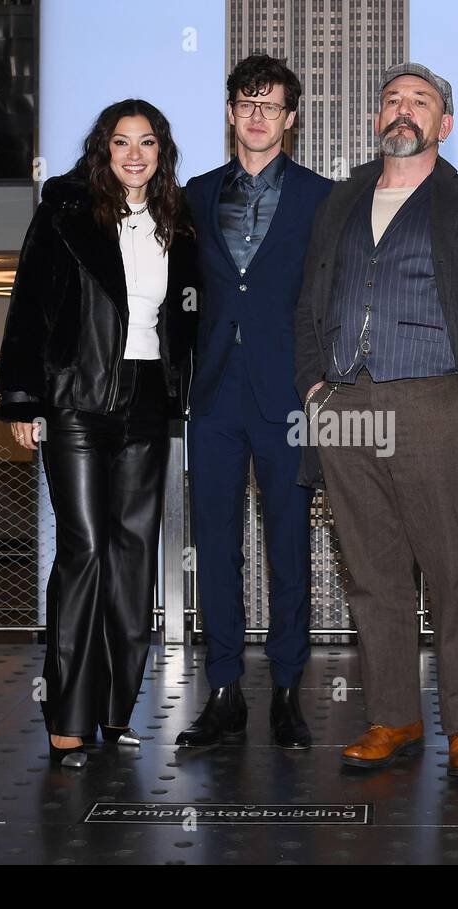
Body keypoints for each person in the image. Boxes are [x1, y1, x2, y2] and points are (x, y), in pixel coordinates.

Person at [294, 63, 458, 778]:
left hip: (435, 403)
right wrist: (311, 387)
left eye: (420, 101)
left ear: (443, 124)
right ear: (377, 119)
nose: (404, 110)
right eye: (392, 99)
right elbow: (309, 302)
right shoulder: (339, 201)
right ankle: (392, 716)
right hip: (343, 405)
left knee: (454, 572)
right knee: (371, 573)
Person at [0, 99, 199, 767]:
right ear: (102, 150)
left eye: (146, 141)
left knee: (133, 556)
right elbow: (29, 305)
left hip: (145, 400)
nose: (134, 153)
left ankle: (114, 710)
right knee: (83, 551)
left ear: (161, 151)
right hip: (77, 398)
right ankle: (68, 716)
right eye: (121, 142)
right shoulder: (65, 212)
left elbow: (187, 317)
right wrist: (23, 399)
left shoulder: (177, 220)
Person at [178, 55, 332, 750]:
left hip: (289, 394)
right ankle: (223, 690)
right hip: (212, 393)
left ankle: (289, 690)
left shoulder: (322, 198)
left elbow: (330, 298)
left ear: (291, 118)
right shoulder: (194, 195)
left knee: (289, 547)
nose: (259, 116)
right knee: (214, 547)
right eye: (247, 103)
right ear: (231, 112)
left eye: (271, 105)